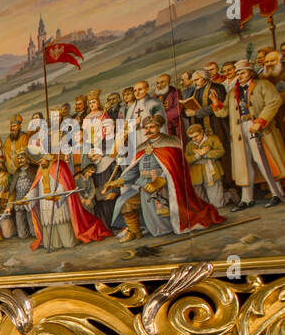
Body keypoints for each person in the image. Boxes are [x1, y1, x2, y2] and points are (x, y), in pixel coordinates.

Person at [105, 115, 224, 241]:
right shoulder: (142, 147)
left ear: (159, 127)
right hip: (143, 185)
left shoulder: (171, 143)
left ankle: (168, 228)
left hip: (166, 187)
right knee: (125, 203)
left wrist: (160, 181)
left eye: (152, 127)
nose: (148, 130)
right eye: (146, 128)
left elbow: (175, 169)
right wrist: (119, 181)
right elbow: (134, 170)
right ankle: (135, 231)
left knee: (163, 213)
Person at [218, 59, 285, 210]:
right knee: (244, 165)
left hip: (259, 128)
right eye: (238, 73)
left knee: (263, 161)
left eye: (242, 72)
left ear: (250, 72)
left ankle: (277, 193)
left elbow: (275, 101)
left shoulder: (263, 85)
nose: (239, 75)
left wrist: (260, 121)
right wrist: (216, 103)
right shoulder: (232, 92)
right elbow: (223, 112)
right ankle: (247, 198)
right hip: (240, 131)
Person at [27, 151, 112, 251]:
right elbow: (35, 189)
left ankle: (68, 241)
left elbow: (64, 185)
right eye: (38, 162)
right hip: (45, 204)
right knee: (50, 227)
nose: (40, 164)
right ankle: (53, 244)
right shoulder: (40, 170)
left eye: (41, 161)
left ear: (46, 157)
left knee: (63, 228)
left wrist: (57, 196)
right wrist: (27, 199)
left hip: (59, 203)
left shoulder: (59, 165)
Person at [184, 122, 225, 209]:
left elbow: (220, 152)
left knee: (217, 204)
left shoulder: (212, 139)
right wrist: (197, 156)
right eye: (191, 138)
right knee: (202, 203)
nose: (194, 139)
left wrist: (205, 154)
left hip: (211, 173)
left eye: (196, 136)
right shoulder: (189, 145)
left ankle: (230, 194)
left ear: (202, 132)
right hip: (196, 175)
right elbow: (186, 160)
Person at [12, 149, 36, 238]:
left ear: (27, 158)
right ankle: (23, 234)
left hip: (30, 198)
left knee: (31, 218)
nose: (19, 160)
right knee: (20, 219)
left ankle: (34, 233)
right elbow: (13, 188)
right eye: (18, 159)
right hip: (18, 198)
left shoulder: (33, 169)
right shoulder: (17, 172)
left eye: (22, 158)